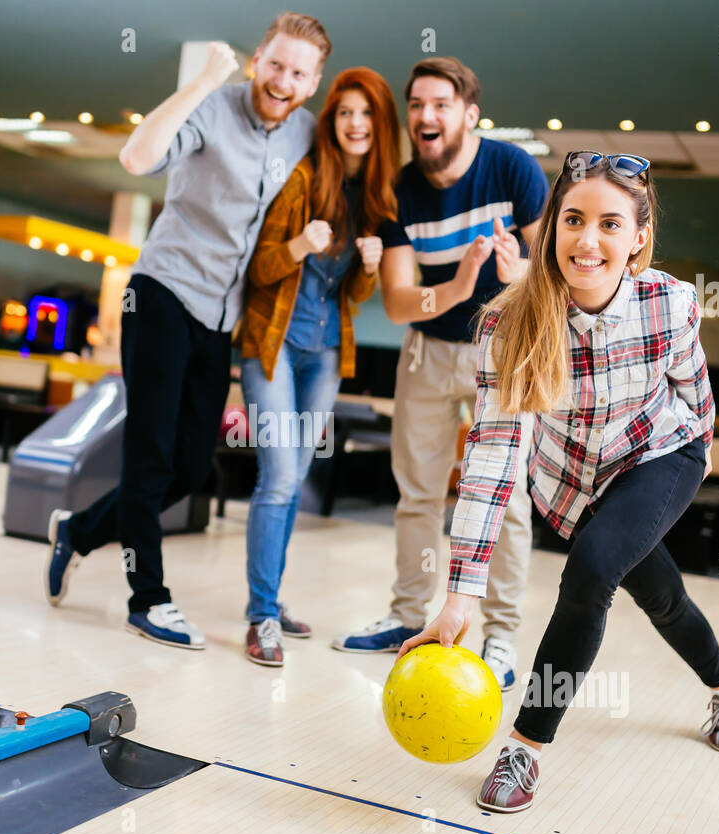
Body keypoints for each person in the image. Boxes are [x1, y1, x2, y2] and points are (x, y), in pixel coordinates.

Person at [398, 150, 719, 814]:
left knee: (590, 570)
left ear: (639, 238)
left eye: (611, 224)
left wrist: (683, 467)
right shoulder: (510, 323)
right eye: (574, 220)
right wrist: (459, 596)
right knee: (663, 596)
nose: (588, 241)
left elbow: (695, 400)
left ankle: (525, 748)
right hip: (570, 484)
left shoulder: (670, 305)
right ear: (550, 227)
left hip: (660, 457)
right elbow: (492, 459)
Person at [44, 13, 330, 649]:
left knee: (191, 466)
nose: (283, 80)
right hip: (163, 292)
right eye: (275, 64)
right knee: (149, 454)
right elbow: (136, 155)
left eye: (299, 72)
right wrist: (202, 81)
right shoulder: (213, 107)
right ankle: (147, 597)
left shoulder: (307, 133)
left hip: (223, 314)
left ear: (313, 83)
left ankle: (80, 531)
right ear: (259, 59)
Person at [332, 57, 547, 692]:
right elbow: (398, 301)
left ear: (468, 114)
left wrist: (518, 276)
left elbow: (553, 274)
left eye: (440, 105)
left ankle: (499, 637)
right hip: (427, 353)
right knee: (417, 495)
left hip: (505, 354)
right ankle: (407, 620)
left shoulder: (512, 169)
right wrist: (455, 286)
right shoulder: (397, 189)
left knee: (501, 500)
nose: (426, 116)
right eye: (417, 105)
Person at [235, 67, 400, 666]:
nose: (355, 124)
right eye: (344, 112)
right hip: (273, 347)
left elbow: (352, 297)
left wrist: (371, 266)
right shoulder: (303, 178)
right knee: (278, 478)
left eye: (367, 114)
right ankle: (260, 617)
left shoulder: (377, 198)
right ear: (331, 121)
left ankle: (272, 602)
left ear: (381, 126)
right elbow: (258, 269)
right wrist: (300, 246)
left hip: (326, 355)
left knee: (295, 477)